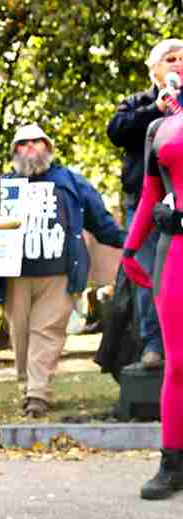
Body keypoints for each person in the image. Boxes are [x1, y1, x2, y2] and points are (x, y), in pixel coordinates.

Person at [0, 124, 124, 417]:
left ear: (48, 148)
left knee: (46, 332)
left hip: (60, 274)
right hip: (15, 276)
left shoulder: (70, 181)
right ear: (14, 152)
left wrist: (133, 240)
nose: (30, 147)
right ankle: (28, 386)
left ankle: (37, 394)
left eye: (37, 141)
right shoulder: (3, 187)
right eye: (23, 143)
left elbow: (101, 222)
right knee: (20, 335)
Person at [121, 69, 183, 499]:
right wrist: (129, 249)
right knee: (177, 364)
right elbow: (148, 194)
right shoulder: (158, 128)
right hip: (174, 252)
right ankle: (172, 463)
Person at [107, 38, 183, 369]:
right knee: (150, 273)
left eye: (182, 58)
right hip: (146, 205)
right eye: (170, 58)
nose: (178, 64)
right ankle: (153, 344)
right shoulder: (138, 104)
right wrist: (156, 110)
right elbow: (116, 131)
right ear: (154, 70)